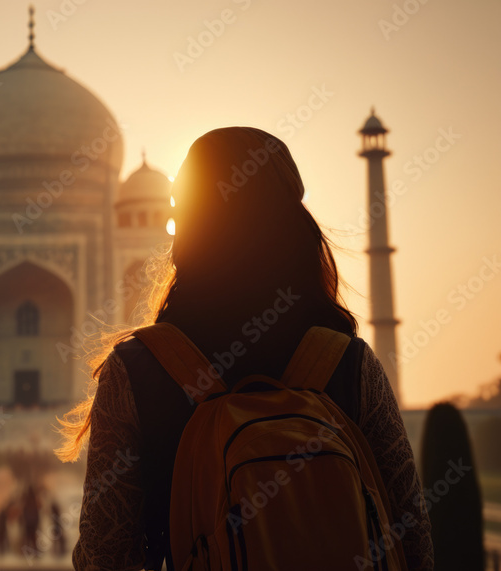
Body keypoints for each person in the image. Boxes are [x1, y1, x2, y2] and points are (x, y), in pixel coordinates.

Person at [57, 127, 434, 570]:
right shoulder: (347, 362)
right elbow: (413, 538)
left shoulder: (139, 369)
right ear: (291, 221)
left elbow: (105, 554)